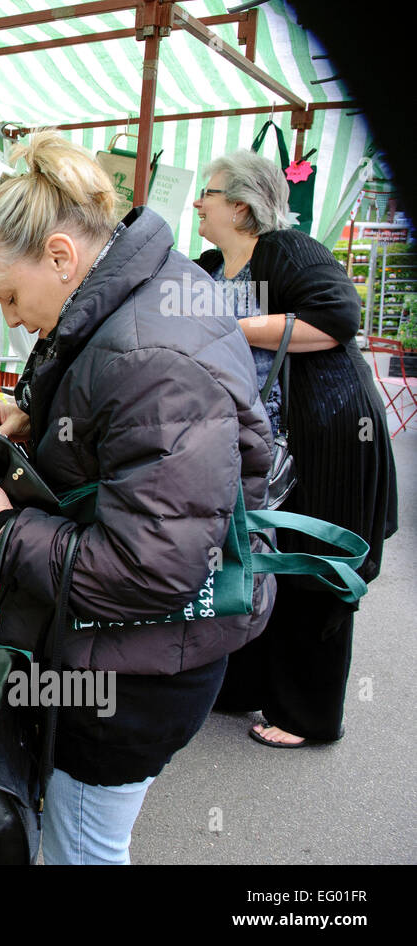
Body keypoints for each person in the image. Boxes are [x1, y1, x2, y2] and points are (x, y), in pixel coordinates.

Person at [0, 132, 275, 864]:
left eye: (8, 297)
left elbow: (145, 568)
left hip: (136, 671)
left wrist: (3, 530)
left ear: (61, 257)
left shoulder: (153, 356)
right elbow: (114, 411)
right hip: (133, 656)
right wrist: (37, 411)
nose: (8, 318)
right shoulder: (140, 291)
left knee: (85, 847)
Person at [195, 150, 399, 748]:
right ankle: (247, 685)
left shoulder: (286, 250)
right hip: (263, 444)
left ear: (240, 205)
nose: (197, 203)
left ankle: (309, 715)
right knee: (260, 554)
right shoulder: (210, 266)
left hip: (325, 433)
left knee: (313, 564)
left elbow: (337, 317)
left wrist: (229, 327)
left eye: (207, 193)